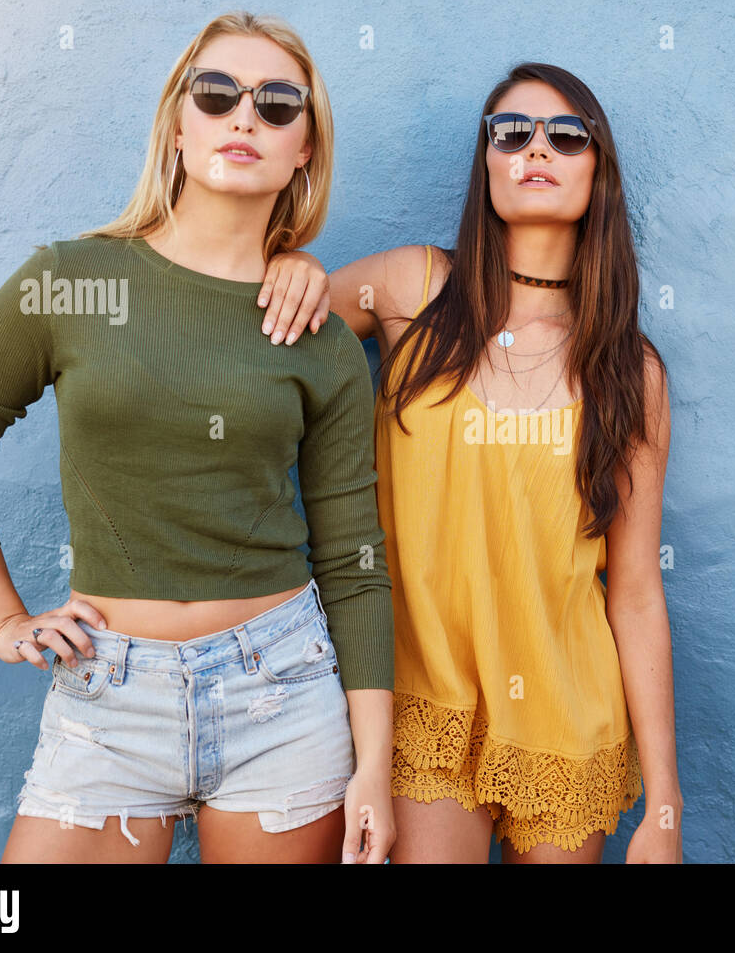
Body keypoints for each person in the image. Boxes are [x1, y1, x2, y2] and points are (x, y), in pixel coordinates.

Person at [0, 11, 395, 863]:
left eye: (279, 104)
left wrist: (374, 770)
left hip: (280, 694)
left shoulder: (315, 334)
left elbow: (355, 561)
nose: (246, 116)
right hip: (108, 694)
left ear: (305, 148)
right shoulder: (67, 282)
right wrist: (4, 622)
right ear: (178, 124)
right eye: (217, 94)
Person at [257, 63, 683, 862]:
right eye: (511, 132)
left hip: (566, 712)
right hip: (420, 696)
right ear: (486, 162)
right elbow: (264, 339)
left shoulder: (632, 373)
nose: (536, 149)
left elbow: (633, 596)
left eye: (565, 135)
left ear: (599, 170)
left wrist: (665, 803)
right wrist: (299, 265)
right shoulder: (410, 288)